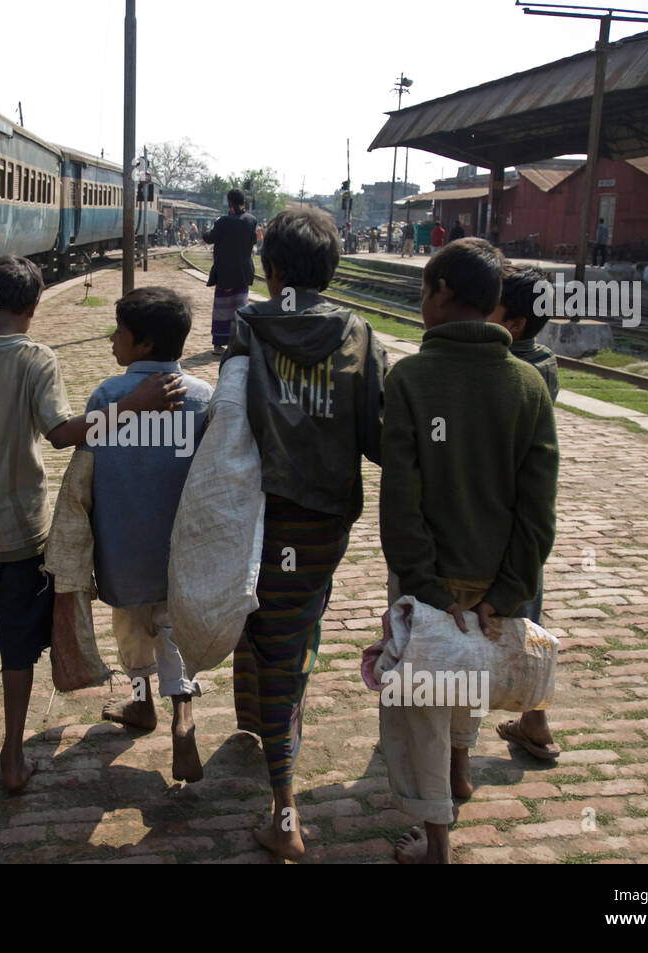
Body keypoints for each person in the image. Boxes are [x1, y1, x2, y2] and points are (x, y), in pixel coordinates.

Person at [0, 255, 182, 793]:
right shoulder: (36, 359)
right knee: (20, 639)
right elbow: (63, 434)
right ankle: (12, 756)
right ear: (35, 307)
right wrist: (134, 403)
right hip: (20, 531)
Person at [378, 238, 558, 863]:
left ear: (444, 293)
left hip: (429, 577)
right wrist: (507, 592)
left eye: (425, 289)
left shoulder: (410, 379)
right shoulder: (529, 386)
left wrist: (424, 590)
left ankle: (437, 841)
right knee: (471, 676)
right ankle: (462, 768)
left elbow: (402, 503)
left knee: (422, 702)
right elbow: (537, 510)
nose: (422, 301)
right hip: (495, 578)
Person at [224, 206, 388, 859]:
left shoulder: (247, 327)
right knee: (290, 632)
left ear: (274, 268)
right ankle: (274, 724)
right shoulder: (358, 333)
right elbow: (378, 438)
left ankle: (285, 812)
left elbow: (230, 428)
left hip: (260, 516)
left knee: (272, 644)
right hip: (324, 522)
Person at [89, 287, 215, 782]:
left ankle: (142, 706)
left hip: (121, 548)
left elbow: (90, 452)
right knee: (173, 631)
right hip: (179, 550)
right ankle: (183, 719)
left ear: (141, 344)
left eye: (118, 333)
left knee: (131, 631)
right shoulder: (202, 399)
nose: (112, 340)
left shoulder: (107, 396)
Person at [487, 262, 561, 762]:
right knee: (527, 620)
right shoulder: (547, 363)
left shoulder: (508, 370)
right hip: (527, 518)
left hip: (496, 513)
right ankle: (535, 721)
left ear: (512, 324)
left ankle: (450, 741)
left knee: (485, 620)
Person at [202, 190, 258, 354]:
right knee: (241, 306)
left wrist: (205, 232)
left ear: (230, 202)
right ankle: (240, 342)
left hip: (225, 272)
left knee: (222, 308)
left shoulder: (223, 221)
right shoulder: (251, 220)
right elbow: (253, 240)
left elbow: (210, 237)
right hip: (243, 271)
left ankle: (219, 344)